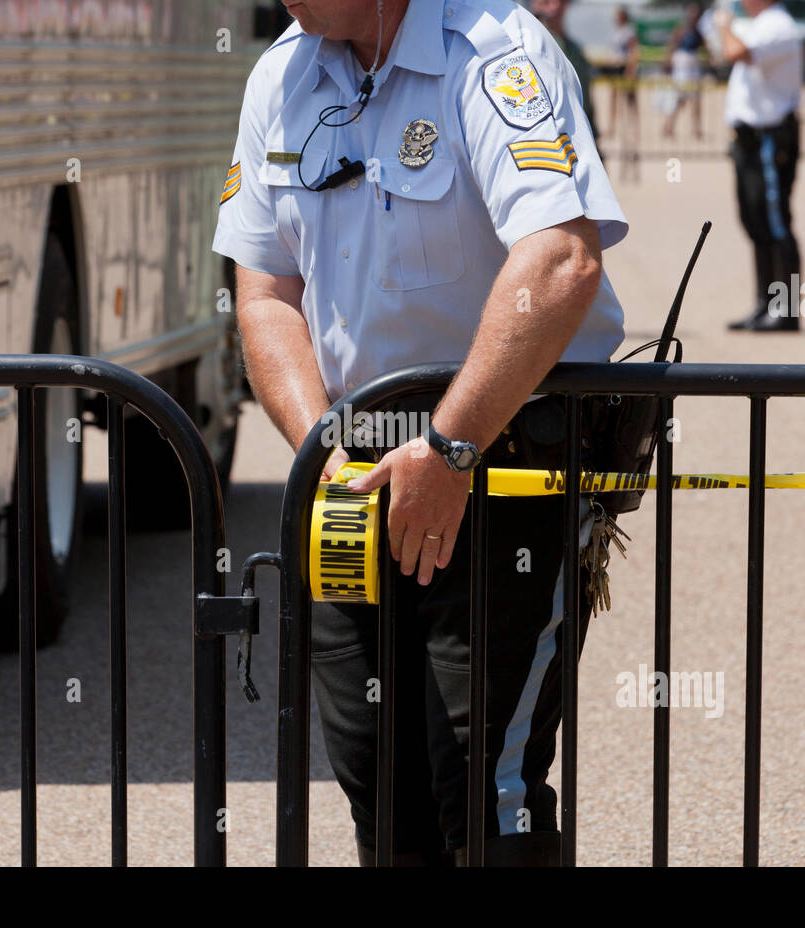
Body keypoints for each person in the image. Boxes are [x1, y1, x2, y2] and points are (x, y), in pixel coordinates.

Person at [213, 0, 629, 866]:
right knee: (380, 786)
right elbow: (264, 294)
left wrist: (450, 445)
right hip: (355, 484)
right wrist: (317, 451)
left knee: (484, 789)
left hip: (500, 465)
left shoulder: (492, 50)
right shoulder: (281, 74)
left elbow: (560, 258)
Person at [715, 0, 805, 332]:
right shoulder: (759, 25)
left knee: (775, 221)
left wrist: (724, 24)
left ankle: (787, 310)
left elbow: (735, 52)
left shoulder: (777, 25)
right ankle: (765, 303)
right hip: (750, 139)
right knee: (755, 222)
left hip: (770, 137)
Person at [531, 0, 600, 146]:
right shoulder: (528, 49)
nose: (554, 6)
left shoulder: (574, 51)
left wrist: (593, 135)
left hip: (577, 141)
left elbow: (585, 101)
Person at [662, 2, 705, 140]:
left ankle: (696, 130)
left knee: (695, 101)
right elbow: (671, 47)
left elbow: (706, 48)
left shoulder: (698, 32)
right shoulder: (681, 30)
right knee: (678, 100)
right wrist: (667, 64)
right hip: (681, 68)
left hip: (693, 69)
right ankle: (668, 128)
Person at [602, 5, 639, 142]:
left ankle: (634, 128)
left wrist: (631, 69)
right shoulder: (615, 31)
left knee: (631, 100)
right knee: (613, 98)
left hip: (625, 67)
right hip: (615, 67)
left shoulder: (629, 31)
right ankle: (612, 128)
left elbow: (633, 51)